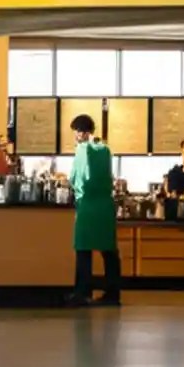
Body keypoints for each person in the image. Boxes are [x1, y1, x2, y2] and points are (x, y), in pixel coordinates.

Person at [67, 114, 120, 307]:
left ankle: (83, 292)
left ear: (81, 132)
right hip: (105, 205)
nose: (75, 136)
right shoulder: (105, 149)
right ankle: (113, 293)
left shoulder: (82, 149)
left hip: (87, 204)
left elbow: (76, 177)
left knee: (83, 250)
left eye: (75, 132)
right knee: (109, 251)